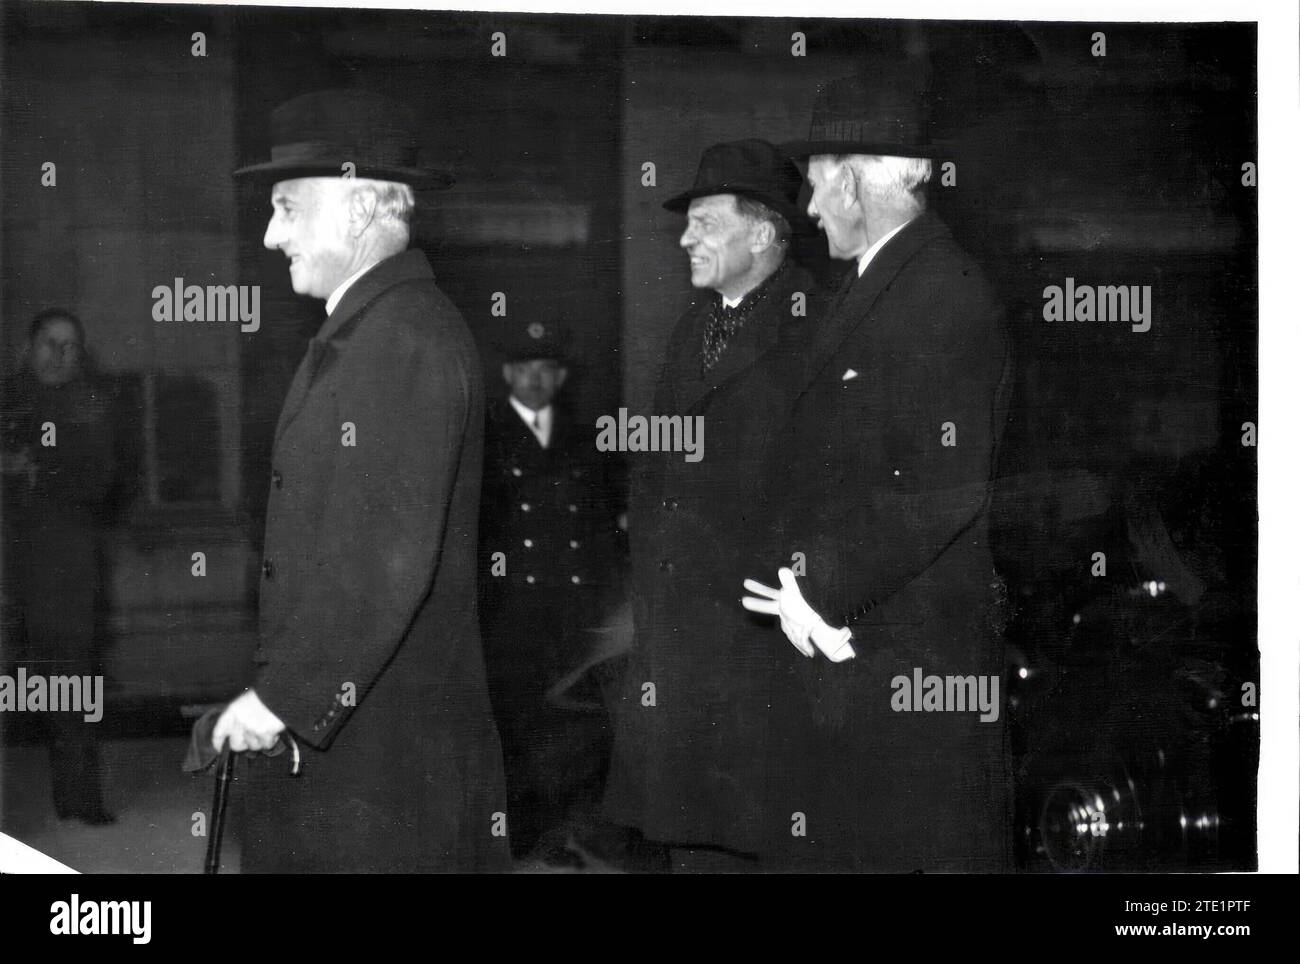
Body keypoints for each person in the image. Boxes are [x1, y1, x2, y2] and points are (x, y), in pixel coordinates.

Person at [223, 89, 509, 872]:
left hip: (383, 768)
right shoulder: (378, 327)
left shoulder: (400, 341)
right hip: (364, 742)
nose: (270, 233)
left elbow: (383, 564)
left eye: (287, 207)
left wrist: (280, 700)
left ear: (356, 209)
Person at [742, 65, 1014, 871]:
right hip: (856, 662)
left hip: (911, 672)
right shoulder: (874, 288)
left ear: (856, 181)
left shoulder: (947, 296)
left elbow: (942, 493)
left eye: (819, 187)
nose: (809, 206)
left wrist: (816, 588)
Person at [603, 139, 827, 872]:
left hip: (765, 658)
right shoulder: (693, 330)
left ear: (762, 233)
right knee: (694, 848)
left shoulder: (820, 327)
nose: (684, 238)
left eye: (704, 221)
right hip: (685, 656)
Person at [477, 320, 625, 862]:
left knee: (573, 729)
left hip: (572, 605)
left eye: (546, 370)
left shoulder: (583, 440)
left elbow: (603, 524)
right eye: (524, 370)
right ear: (508, 374)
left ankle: (562, 835)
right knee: (515, 724)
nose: (535, 380)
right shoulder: (487, 438)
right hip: (511, 609)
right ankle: (521, 838)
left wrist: (604, 603)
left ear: (559, 377)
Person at [2, 309, 119, 825]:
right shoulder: (6, 400)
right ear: (29, 348)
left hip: (63, 574)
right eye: (49, 343)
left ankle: (80, 799)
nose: (59, 354)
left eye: (70, 345)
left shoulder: (92, 406)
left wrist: (39, 471)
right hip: (6, 568)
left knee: (72, 689)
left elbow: (104, 484)